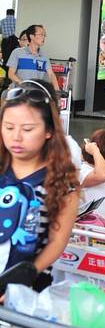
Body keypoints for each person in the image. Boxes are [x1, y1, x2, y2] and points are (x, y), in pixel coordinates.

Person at [0, 80, 79, 277]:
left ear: (49, 131)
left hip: (26, 290)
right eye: (9, 128)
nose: (16, 137)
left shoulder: (62, 182)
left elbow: (57, 240)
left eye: (27, 129)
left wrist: (27, 274)